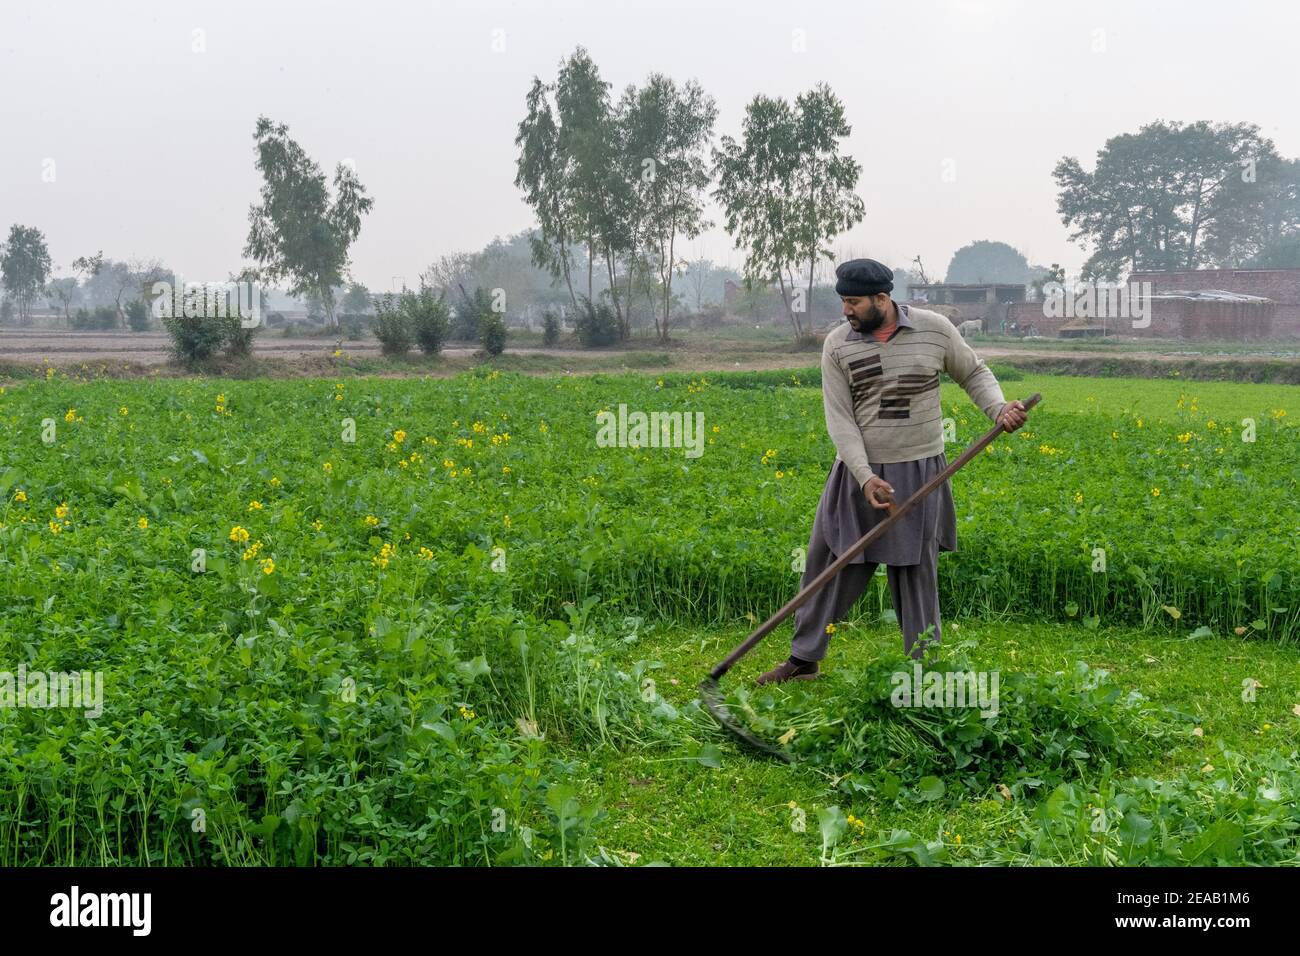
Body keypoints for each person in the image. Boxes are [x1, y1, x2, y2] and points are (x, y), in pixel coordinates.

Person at [756, 259, 1027, 685]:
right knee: (827, 563)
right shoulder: (838, 345)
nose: (846, 310)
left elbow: (973, 372)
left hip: (919, 471)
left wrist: (998, 409)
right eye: (844, 301)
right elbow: (841, 420)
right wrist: (864, 477)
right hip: (857, 473)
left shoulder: (934, 329)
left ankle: (925, 667)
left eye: (853, 302)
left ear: (882, 299)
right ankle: (803, 659)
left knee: (915, 571)